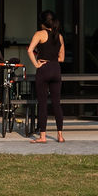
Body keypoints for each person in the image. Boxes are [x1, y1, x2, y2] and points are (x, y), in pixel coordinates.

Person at [26, 9, 65, 143]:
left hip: (44, 69)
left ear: (42, 22)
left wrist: (37, 64)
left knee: (42, 104)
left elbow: (30, 50)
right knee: (56, 103)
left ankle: (43, 136)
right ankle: (60, 135)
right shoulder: (59, 36)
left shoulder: (40, 34)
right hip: (56, 68)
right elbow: (62, 58)